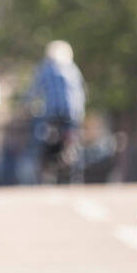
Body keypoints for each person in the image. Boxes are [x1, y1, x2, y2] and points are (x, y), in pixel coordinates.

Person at [25, 40, 86, 184]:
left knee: (40, 139)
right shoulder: (73, 69)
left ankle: (43, 174)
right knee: (74, 143)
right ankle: (75, 176)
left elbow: (33, 92)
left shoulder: (46, 68)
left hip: (52, 114)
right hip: (74, 114)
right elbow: (81, 91)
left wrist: (27, 107)